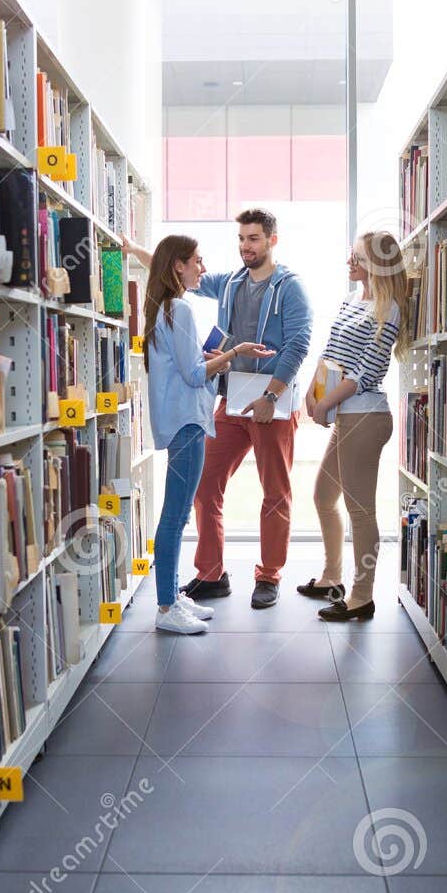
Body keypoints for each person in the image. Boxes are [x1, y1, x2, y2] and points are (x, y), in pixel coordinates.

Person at [123, 208, 312, 610]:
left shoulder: (291, 287)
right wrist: (136, 248)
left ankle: (269, 575)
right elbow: (173, 271)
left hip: (271, 402)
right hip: (232, 399)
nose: (246, 246)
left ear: (272, 241)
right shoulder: (230, 283)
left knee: (275, 493)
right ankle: (211, 574)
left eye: (254, 239)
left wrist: (273, 396)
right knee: (205, 483)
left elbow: (298, 345)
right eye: (242, 239)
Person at [141, 235, 274, 634]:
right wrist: (233, 354)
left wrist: (207, 357)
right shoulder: (178, 309)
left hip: (182, 421)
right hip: (187, 424)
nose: (203, 267)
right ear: (178, 266)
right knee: (175, 516)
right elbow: (195, 375)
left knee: (180, 514)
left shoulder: (164, 309)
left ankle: (171, 598)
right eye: (197, 261)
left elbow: (186, 365)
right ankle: (166, 608)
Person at [297, 230, 410, 622]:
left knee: (360, 510)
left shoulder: (390, 307)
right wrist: (311, 394)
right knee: (322, 496)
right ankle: (332, 578)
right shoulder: (349, 300)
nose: (350, 263)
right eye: (351, 256)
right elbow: (330, 353)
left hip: (366, 415)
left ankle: (362, 597)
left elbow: (367, 371)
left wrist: (327, 400)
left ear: (376, 264)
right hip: (347, 415)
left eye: (358, 258)